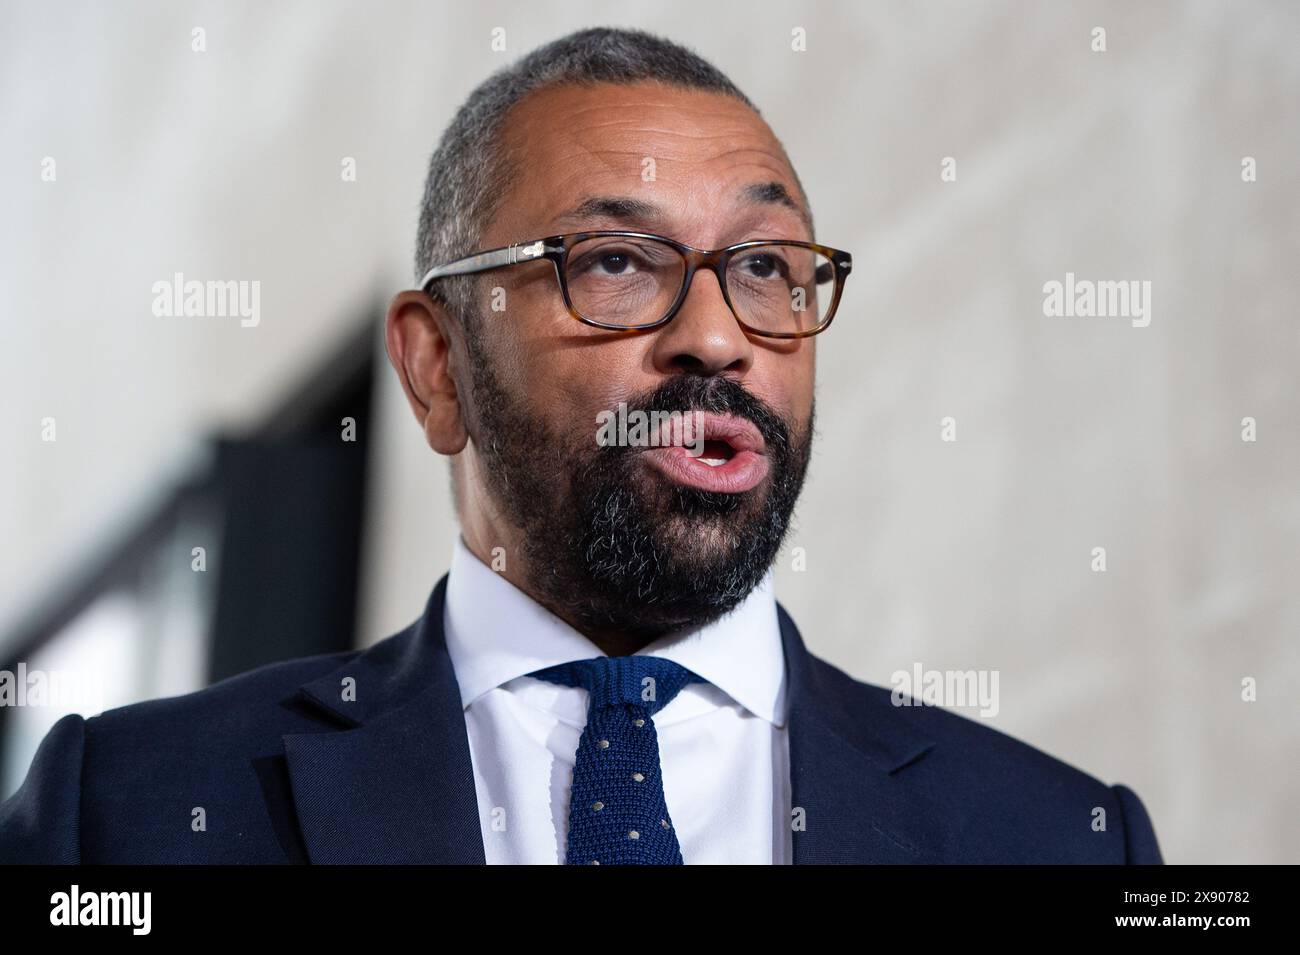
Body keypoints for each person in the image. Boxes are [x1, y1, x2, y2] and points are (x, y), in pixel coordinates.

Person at [0, 27, 1162, 864]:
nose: (716, 336)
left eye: (765, 268)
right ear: (436, 363)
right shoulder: (127, 811)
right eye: (615, 263)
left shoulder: (1061, 839)